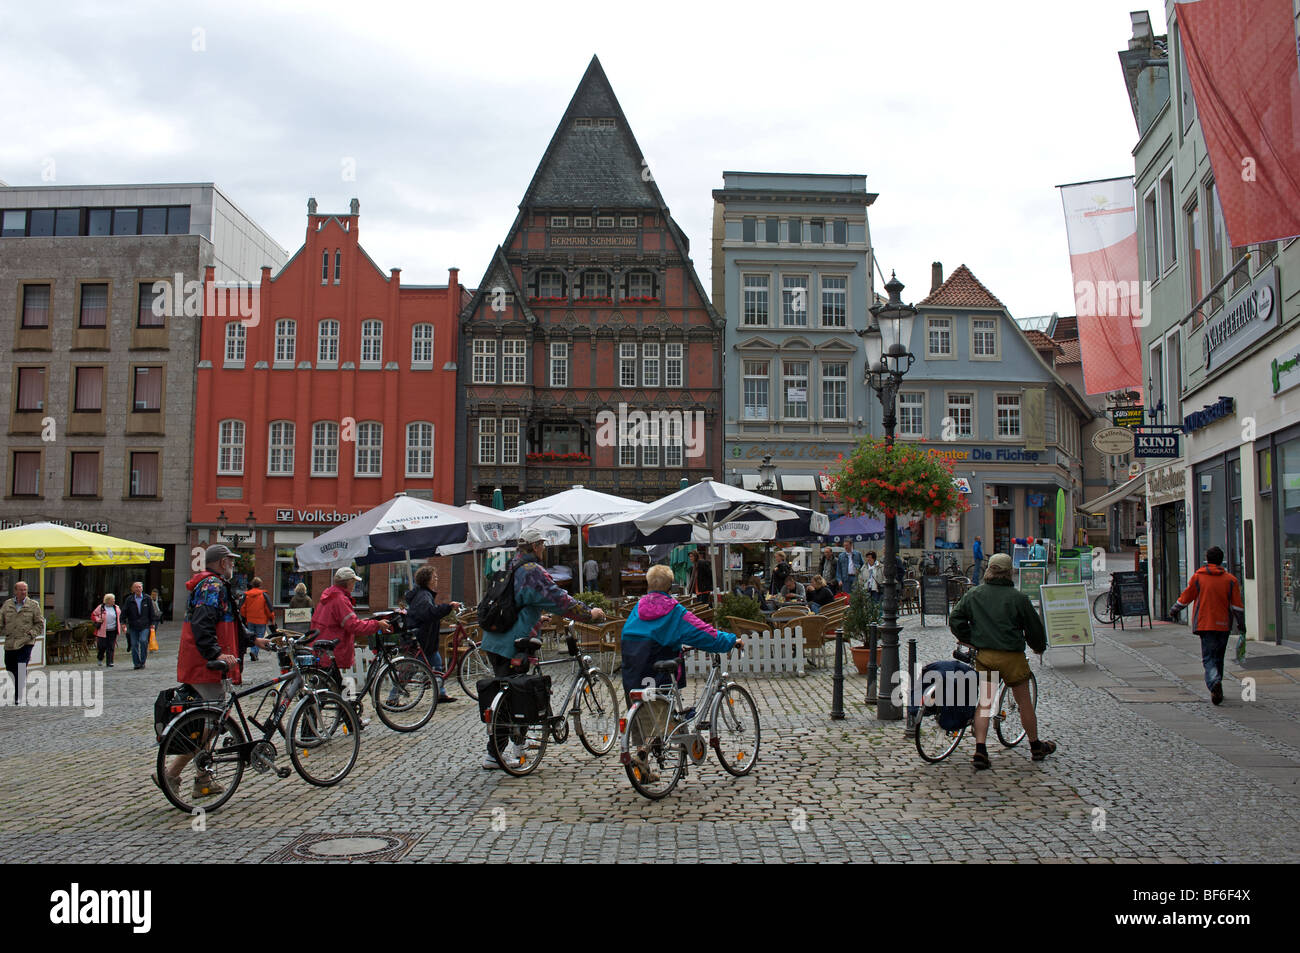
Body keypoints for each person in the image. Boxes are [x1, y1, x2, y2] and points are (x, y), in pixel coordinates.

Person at [155, 544, 275, 799]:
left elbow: (230, 622)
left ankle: (203, 779)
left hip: (205, 664)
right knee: (213, 722)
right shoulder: (213, 586)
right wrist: (216, 654)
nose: (233, 566)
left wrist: (255, 640)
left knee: (209, 722)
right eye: (231, 562)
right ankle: (171, 774)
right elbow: (203, 624)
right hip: (206, 666)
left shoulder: (213, 585)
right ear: (222, 563)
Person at [479, 527, 605, 769]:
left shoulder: (507, 566)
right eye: (543, 545)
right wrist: (590, 614)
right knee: (516, 697)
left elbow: (515, 601)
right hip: (515, 643)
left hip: (494, 639)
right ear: (536, 546)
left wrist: (537, 618)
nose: (544, 549)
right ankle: (496, 754)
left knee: (507, 693)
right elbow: (559, 600)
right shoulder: (532, 571)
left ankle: (514, 748)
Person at [621, 564, 742, 780]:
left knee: (640, 715)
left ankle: (642, 767)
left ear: (648, 585)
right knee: (662, 714)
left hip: (633, 666)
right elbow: (703, 633)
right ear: (670, 587)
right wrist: (731, 640)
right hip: (659, 665)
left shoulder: (637, 607)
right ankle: (643, 754)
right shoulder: (673, 609)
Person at [948, 552, 1056, 770]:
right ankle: (1035, 746)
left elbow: (955, 618)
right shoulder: (1018, 598)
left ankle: (980, 750)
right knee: (1024, 701)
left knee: (985, 703)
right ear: (1009, 573)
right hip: (1012, 658)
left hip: (986, 656)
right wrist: (1038, 646)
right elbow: (1034, 628)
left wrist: (971, 638)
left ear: (989, 570)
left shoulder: (974, 594)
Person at [1170, 546, 1245, 705]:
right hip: (1223, 624)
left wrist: (1175, 610)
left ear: (1207, 559)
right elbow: (1237, 606)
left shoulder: (1199, 577)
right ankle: (1217, 686)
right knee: (1219, 658)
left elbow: (1187, 596)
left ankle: (1214, 681)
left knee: (1208, 658)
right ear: (1221, 560)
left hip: (1205, 623)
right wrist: (1241, 624)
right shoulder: (1230, 580)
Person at [311, 567, 392, 716]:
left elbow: (346, 621)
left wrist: (368, 622)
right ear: (348, 582)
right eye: (353, 582)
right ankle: (309, 733)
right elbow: (353, 626)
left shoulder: (329, 595)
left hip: (323, 645)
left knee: (338, 687)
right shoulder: (340, 599)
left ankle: (352, 721)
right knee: (323, 695)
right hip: (332, 647)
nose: (354, 585)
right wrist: (376, 625)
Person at [404, 565, 460, 703]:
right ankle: (393, 697)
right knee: (412, 667)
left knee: (436, 663)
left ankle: (440, 693)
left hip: (425, 637)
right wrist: (447, 607)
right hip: (423, 637)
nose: (436, 579)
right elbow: (428, 613)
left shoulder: (423, 594)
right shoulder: (424, 595)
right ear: (427, 580)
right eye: (434, 577)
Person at [0, 581, 42, 704]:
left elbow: (39, 624)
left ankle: (18, 694)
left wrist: (31, 634)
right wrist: (4, 631)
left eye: (25, 590)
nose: (23, 592)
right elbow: (1, 621)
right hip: (10, 642)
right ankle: (19, 683)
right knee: (9, 667)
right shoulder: (7, 605)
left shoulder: (33, 605)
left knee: (21, 665)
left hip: (26, 642)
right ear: (15, 591)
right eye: (21, 590)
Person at [122, 581, 156, 670]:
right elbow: (124, 611)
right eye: (136, 587)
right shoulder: (129, 599)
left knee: (143, 641)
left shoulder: (147, 598)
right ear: (132, 589)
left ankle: (143, 661)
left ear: (142, 588)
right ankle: (136, 663)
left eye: (139, 587)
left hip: (145, 625)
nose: (138, 589)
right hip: (133, 625)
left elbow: (151, 611)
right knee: (134, 644)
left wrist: (152, 623)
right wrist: (123, 623)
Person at [239, 576, 274, 662]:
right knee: (259, 637)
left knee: (252, 636)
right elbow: (269, 609)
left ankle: (253, 651)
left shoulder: (246, 595)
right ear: (260, 585)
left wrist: (245, 617)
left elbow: (242, 608)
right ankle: (254, 652)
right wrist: (271, 618)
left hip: (250, 620)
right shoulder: (263, 595)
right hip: (261, 620)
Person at [91, 594, 122, 667]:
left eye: (114, 599)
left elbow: (120, 617)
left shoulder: (116, 608)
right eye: (112, 599)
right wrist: (98, 619)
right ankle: (100, 658)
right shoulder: (101, 607)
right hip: (102, 630)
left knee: (111, 646)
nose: (114, 600)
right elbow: (93, 615)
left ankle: (110, 662)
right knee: (102, 646)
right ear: (108, 600)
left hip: (113, 630)